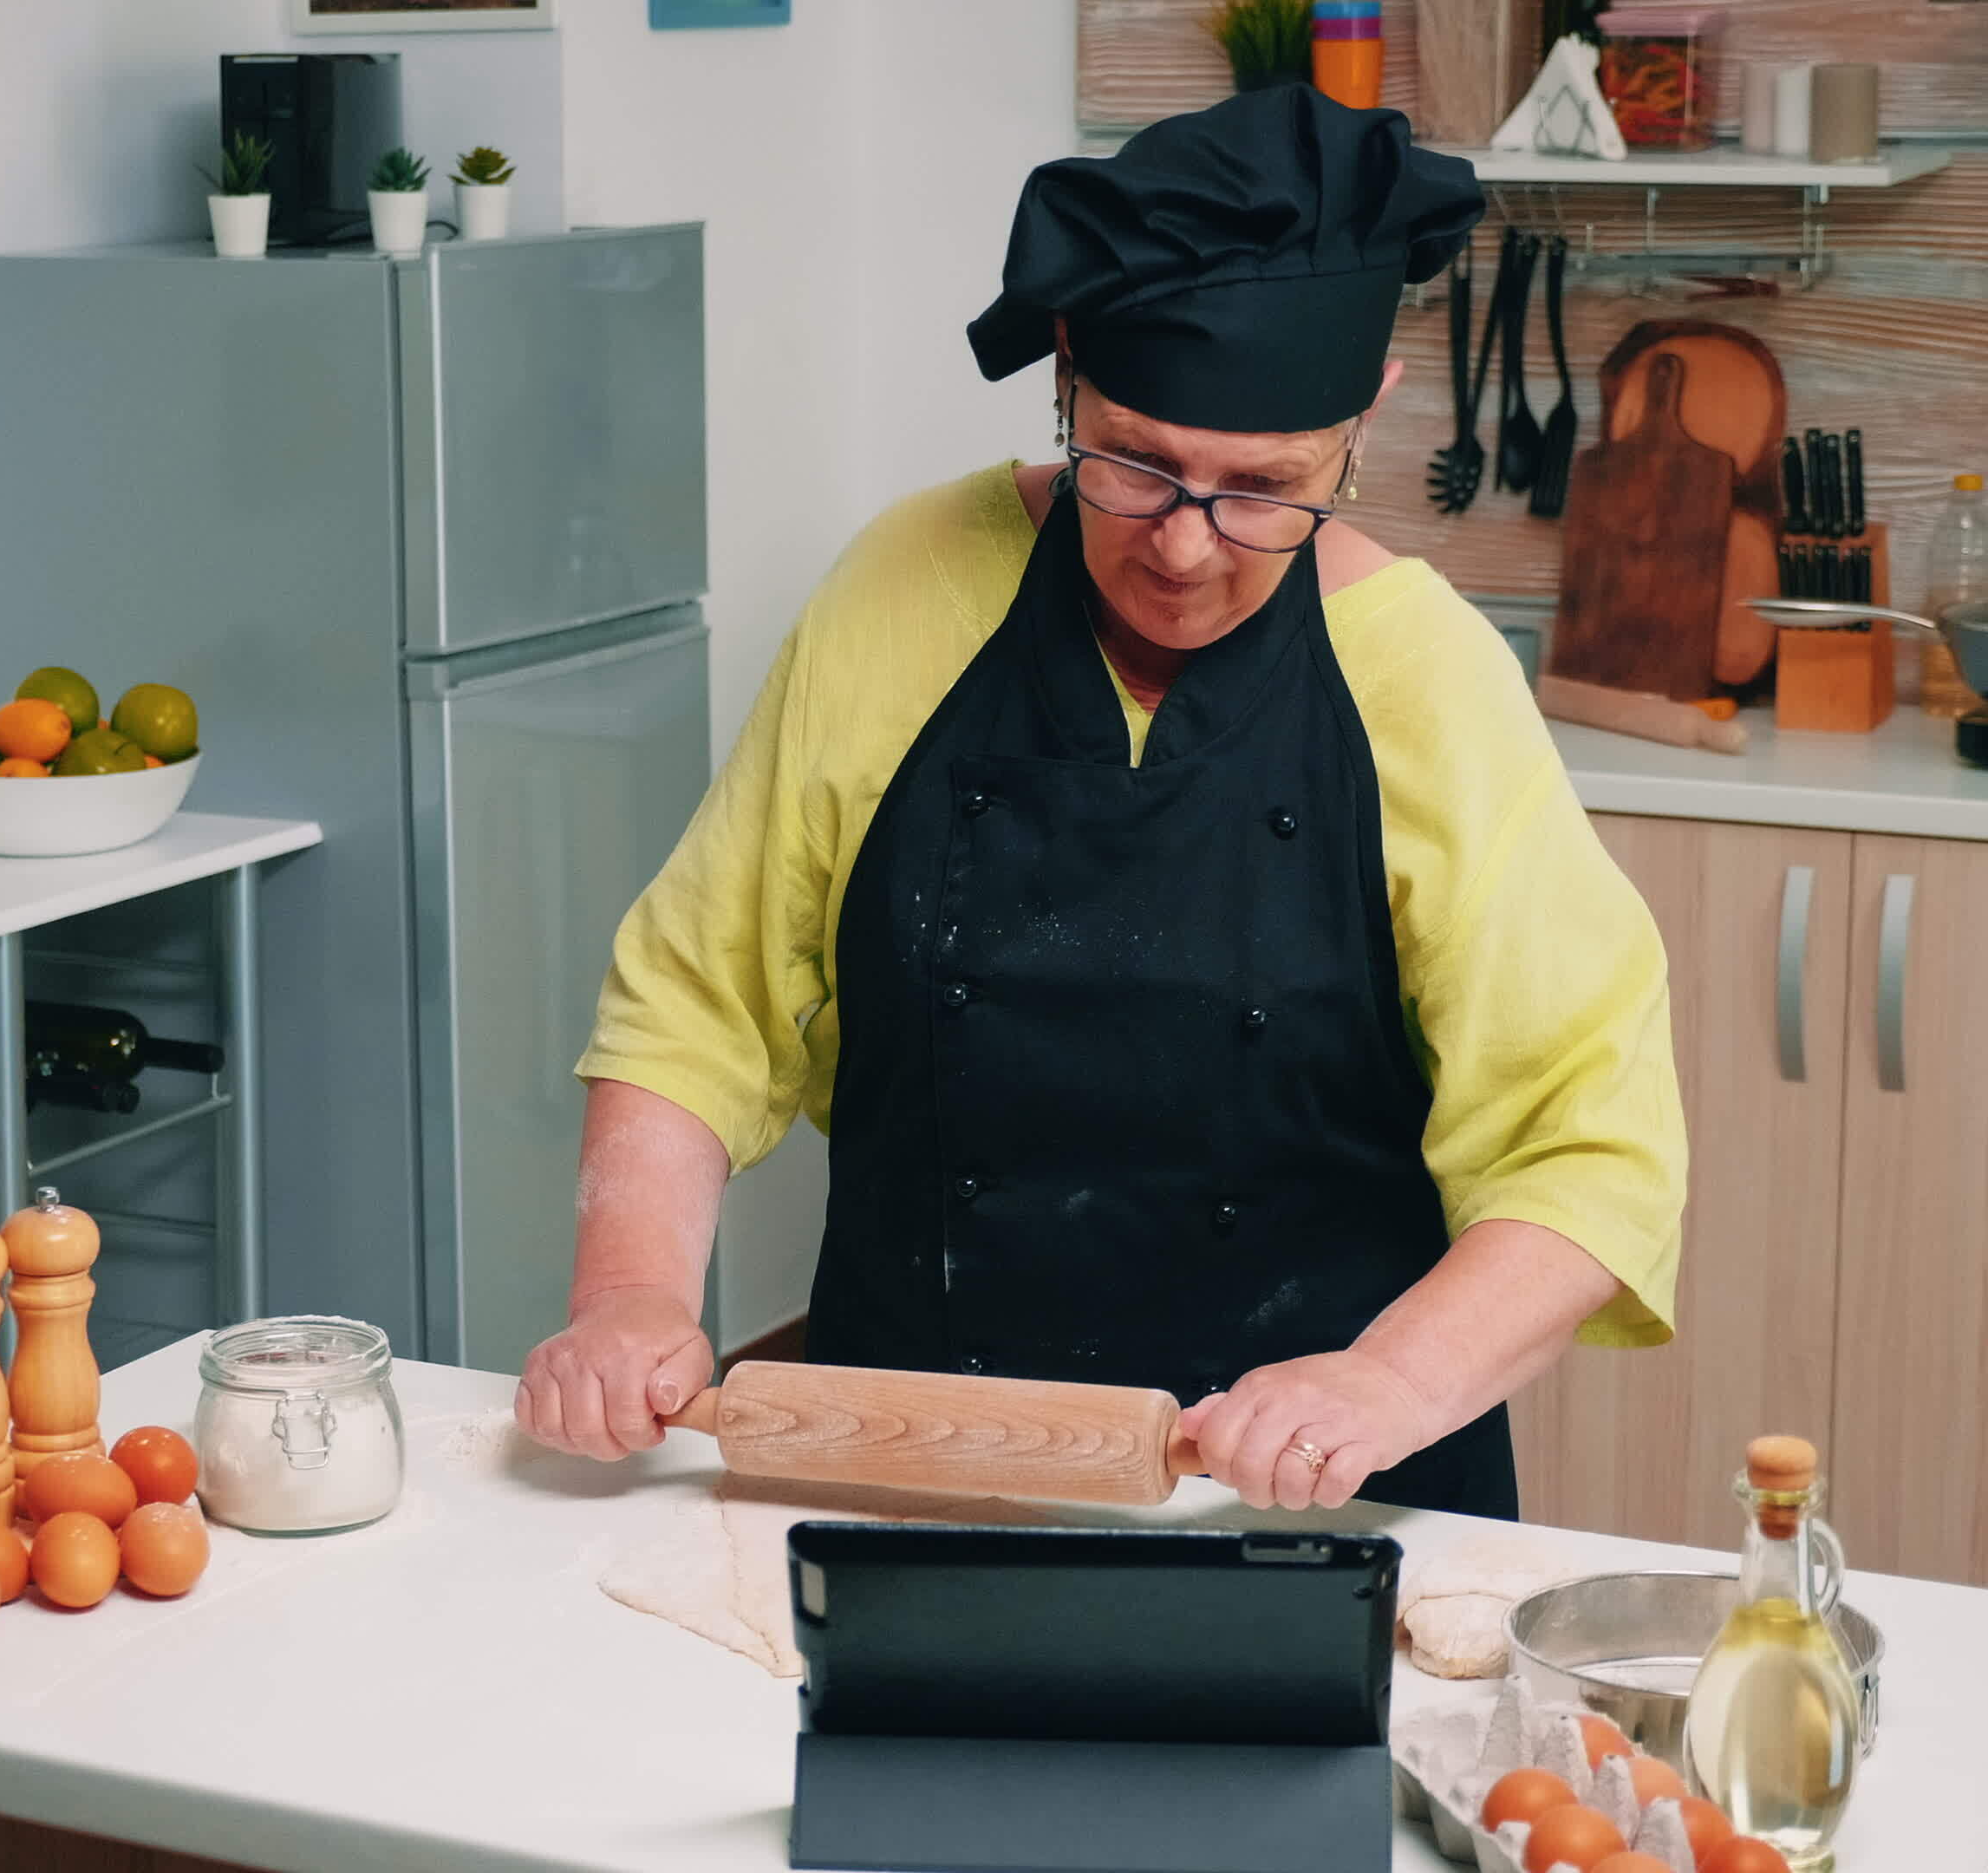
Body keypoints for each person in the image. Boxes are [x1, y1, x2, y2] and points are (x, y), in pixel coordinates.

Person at [515, 85, 1685, 1518]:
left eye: (1262, 490)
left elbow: (1587, 1152)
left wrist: (1390, 1382)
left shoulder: (1428, 677)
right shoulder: (906, 585)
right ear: (1065, 369)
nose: (1186, 548)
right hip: (912, 1458)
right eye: (1132, 465)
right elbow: (698, 1004)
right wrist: (628, 1294)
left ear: (1363, 421)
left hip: (1316, 1497)